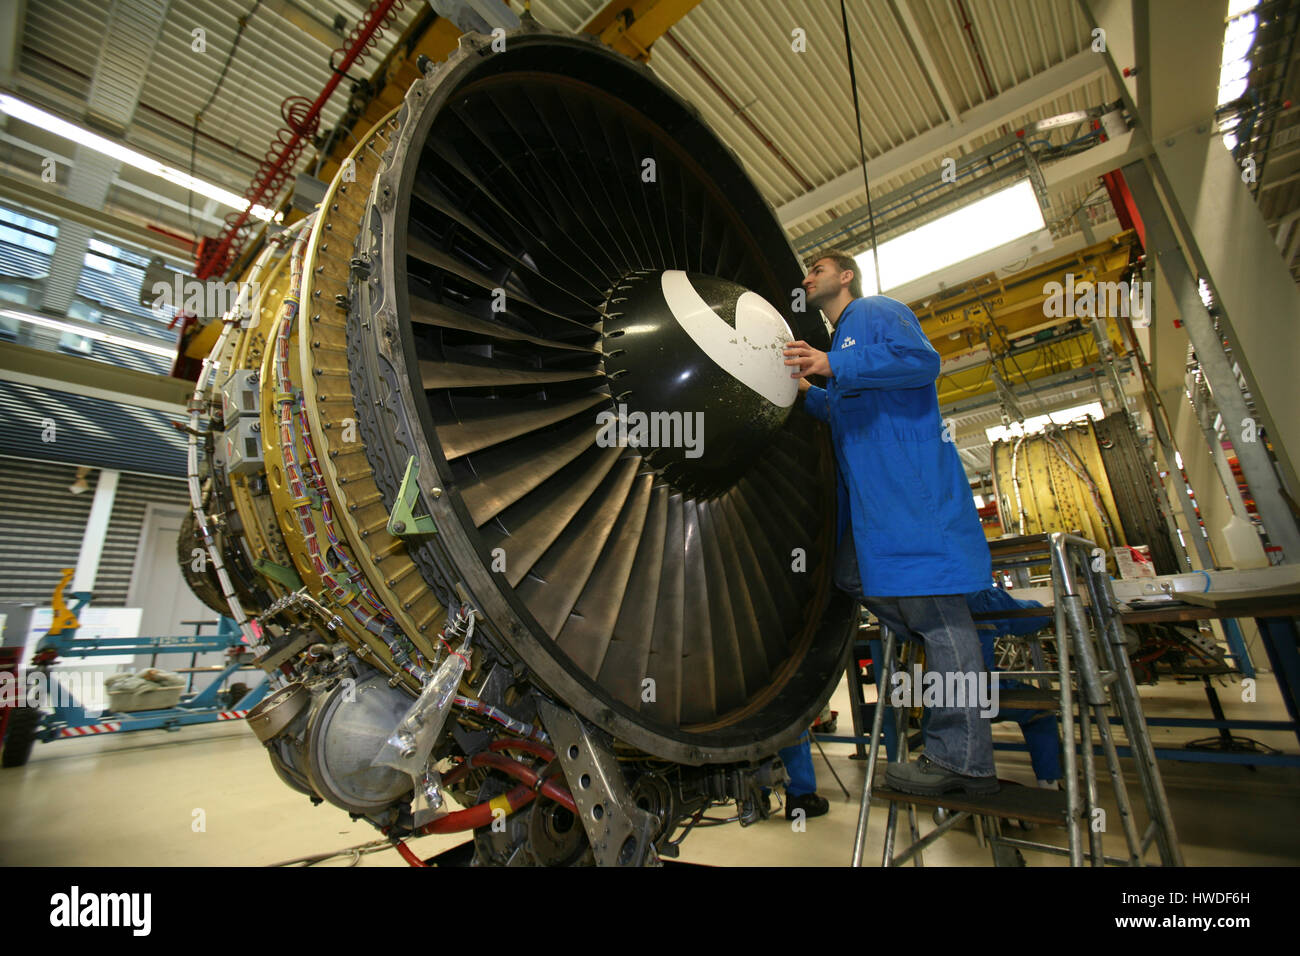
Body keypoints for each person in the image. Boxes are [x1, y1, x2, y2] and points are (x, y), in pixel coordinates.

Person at [783, 252, 998, 797]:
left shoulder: (877, 312)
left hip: (912, 495)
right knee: (851, 576)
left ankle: (963, 762)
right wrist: (810, 393)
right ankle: (962, 675)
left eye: (818, 269)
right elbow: (846, 413)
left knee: (940, 616)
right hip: (877, 506)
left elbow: (921, 363)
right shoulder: (842, 344)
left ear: (845, 276)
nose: (807, 278)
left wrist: (832, 366)